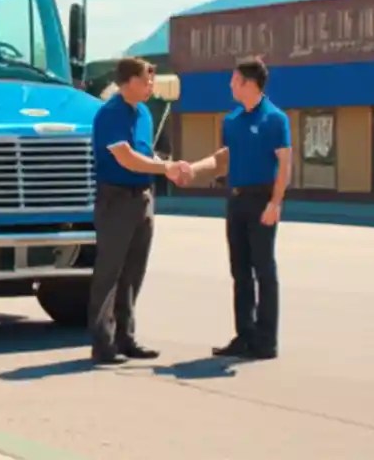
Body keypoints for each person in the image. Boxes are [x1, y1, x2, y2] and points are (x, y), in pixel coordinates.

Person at [177, 56, 291, 360]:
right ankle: (245, 335)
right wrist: (193, 170)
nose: (230, 84)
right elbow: (223, 159)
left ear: (249, 83)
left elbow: (285, 164)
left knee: (264, 269)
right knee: (239, 271)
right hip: (236, 199)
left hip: (261, 199)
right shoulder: (232, 120)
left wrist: (275, 203)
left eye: (234, 80)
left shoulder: (275, 119)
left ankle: (266, 342)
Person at [88, 57, 184, 365]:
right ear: (127, 82)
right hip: (115, 199)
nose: (150, 87)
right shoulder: (109, 115)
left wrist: (164, 164)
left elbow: (143, 152)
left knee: (133, 272)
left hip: (142, 197)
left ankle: (125, 339)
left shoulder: (143, 113)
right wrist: (164, 167)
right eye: (146, 81)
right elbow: (125, 158)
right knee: (110, 273)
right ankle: (102, 344)